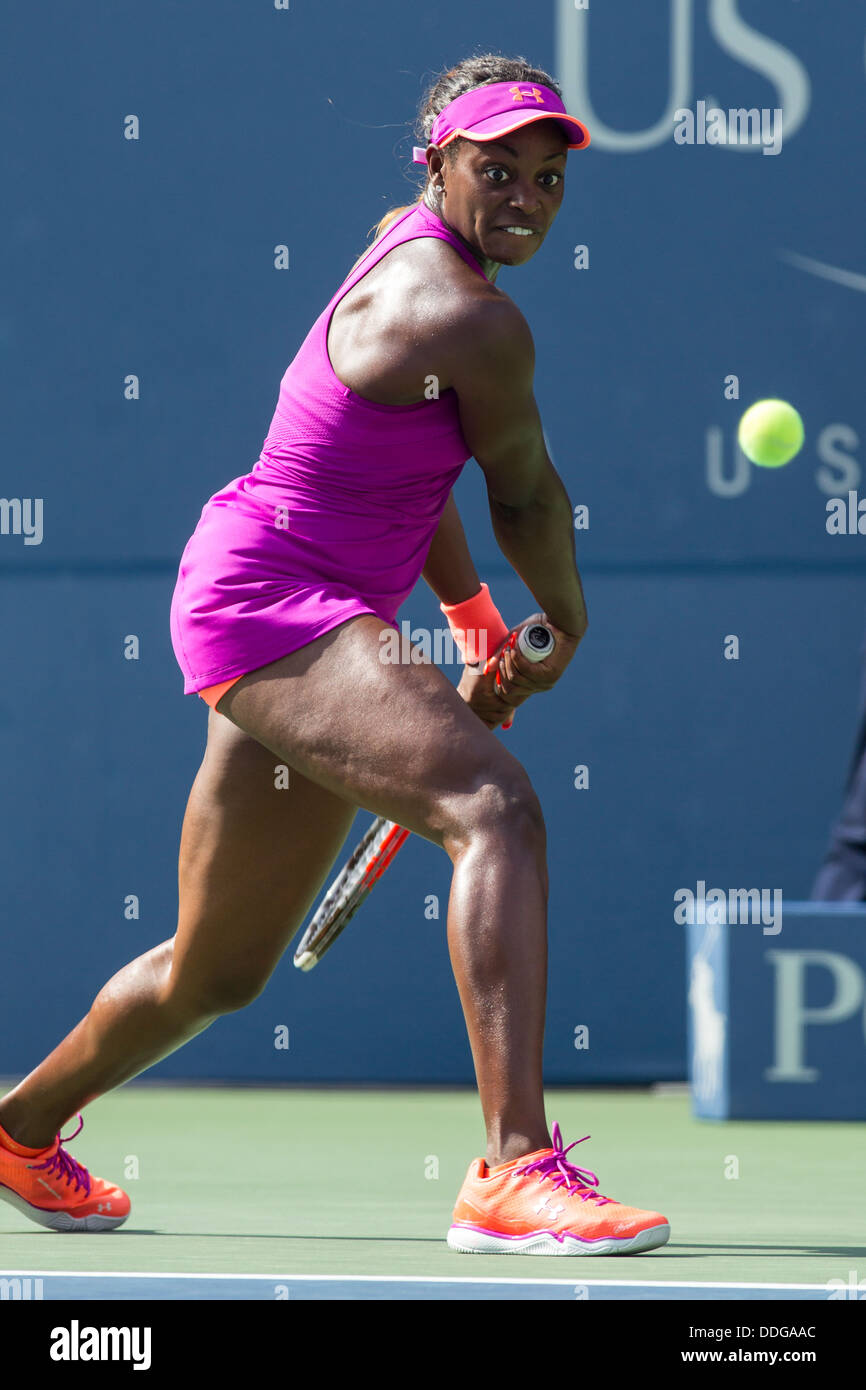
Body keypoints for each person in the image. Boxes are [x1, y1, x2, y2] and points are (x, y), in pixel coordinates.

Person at [0, 54, 669, 1255]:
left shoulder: (420, 263)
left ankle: (18, 1127)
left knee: (216, 970)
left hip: (272, 600)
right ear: (440, 164)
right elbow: (521, 493)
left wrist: (475, 628)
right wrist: (558, 625)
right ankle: (512, 1170)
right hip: (275, 602)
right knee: (493, 806)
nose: (525, 194)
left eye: (547, 177)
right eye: (496, 169)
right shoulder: (467, 315)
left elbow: (424, 475)